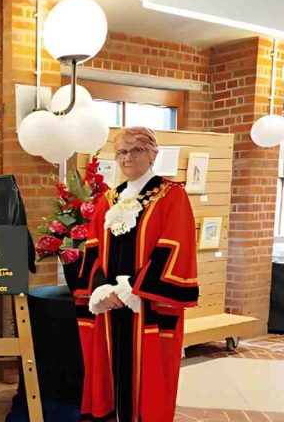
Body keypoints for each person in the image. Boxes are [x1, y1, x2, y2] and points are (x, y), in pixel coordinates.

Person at [73, 126, 198, 421]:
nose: (128, 157)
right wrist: (101, 288)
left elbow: (175, 245)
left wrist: (135, 289)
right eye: (121, 152)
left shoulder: (171, 195)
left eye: (136, 150)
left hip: (147, 303)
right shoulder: (108, 199)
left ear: (153, 154)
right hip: (111, 306)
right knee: (109, 374)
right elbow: (93, 247)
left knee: (151, 381)